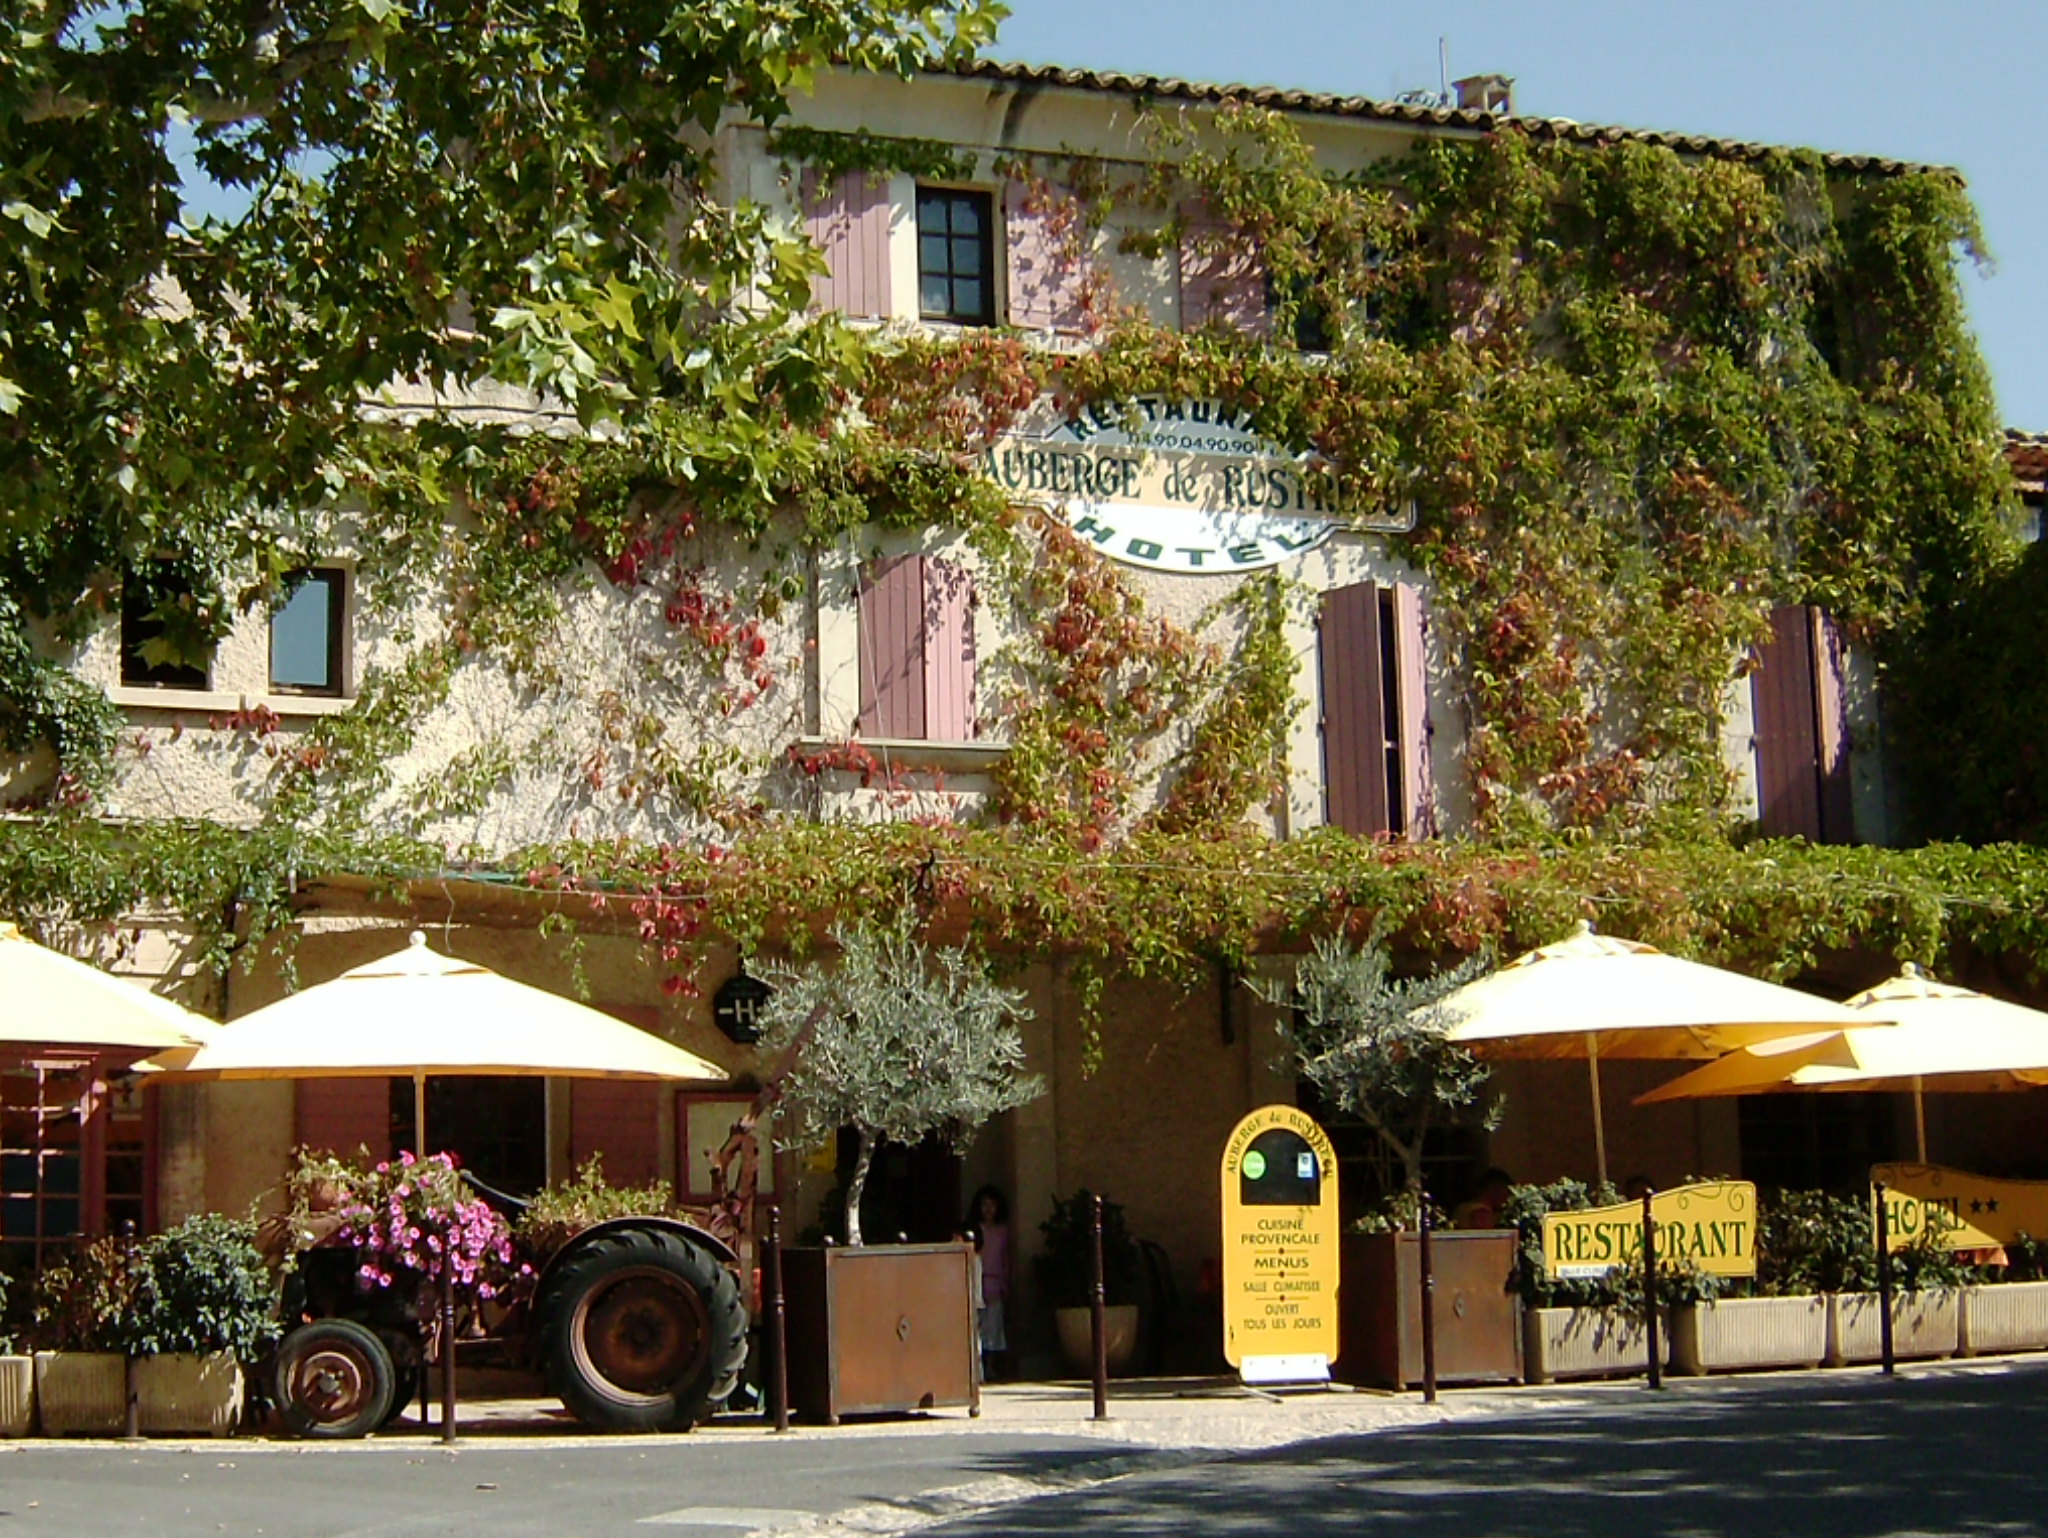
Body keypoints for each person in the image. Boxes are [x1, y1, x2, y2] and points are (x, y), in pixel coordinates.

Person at [962, 1184, 1012, 1383]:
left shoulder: (1002, 1231)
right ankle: (977, 1367)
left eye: (992, 1205)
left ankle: (990, 1366)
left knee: (994, 1327)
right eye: (984, 1205)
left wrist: (1006, 1282)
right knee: (977, 1326)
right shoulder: (974, 1230)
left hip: (995, 1282)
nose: (988, 1210)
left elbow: (1005, 1258)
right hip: (977, 1281)